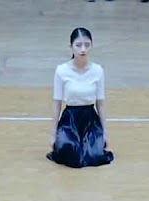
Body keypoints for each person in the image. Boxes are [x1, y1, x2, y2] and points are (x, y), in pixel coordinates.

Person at [49, 28, 114, 169]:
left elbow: (101, 104)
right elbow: (57, 104)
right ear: (71, 47)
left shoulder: (98, 70)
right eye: (78, 45)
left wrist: (105, 133)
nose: (83, 49)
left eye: (87, 45)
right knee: (71, 153)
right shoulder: (61, 70)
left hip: (91, 119)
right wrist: (53, 135)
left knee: (94, 155)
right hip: (69, 119)